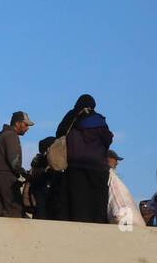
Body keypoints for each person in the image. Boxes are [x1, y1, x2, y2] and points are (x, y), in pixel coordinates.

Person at [55, 94, 113, 224]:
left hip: (75, 165)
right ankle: (98, 223)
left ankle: (78, 224)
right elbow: (108, 139)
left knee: (77, 198)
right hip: (97, 166)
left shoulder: (70, 117)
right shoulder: (98, 120)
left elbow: (59, 134)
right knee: (98, 197)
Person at [0, 112, 33, 218]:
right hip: (6, 177)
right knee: (15, 209)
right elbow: (13, 160)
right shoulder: (11, 136)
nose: (27, 128)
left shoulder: (4, 135)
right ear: (17, 124)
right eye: (25, 125)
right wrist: (21, 172)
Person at [105, 150, 139, 225]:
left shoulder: (107, 174)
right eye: (115, 159)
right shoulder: (110, 176)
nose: (117, 163)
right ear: (108, 159)